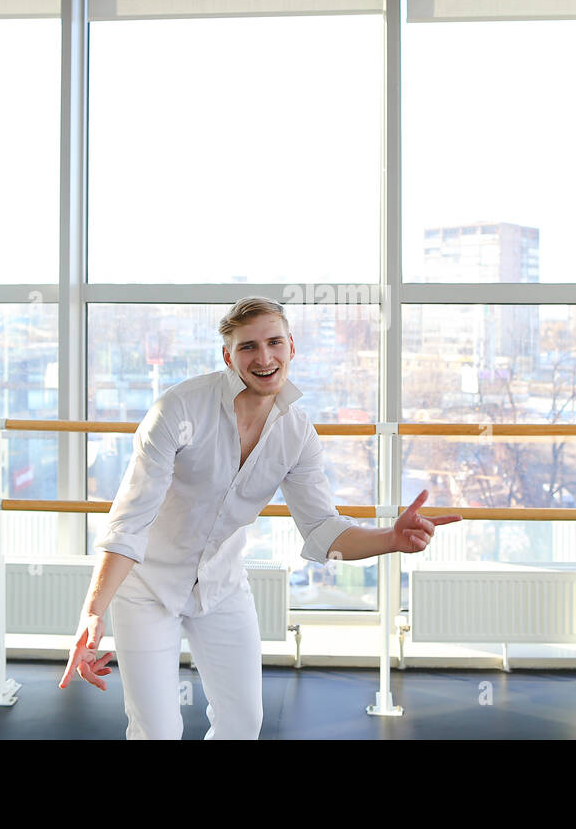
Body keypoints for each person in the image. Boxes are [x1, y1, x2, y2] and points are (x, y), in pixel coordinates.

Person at [58, 295, 459, 739]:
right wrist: (94, 612)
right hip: (147, 586)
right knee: (157, 731)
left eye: (274, 342)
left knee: (243, 724)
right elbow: (128, 523)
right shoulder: (178, 410)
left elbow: (323, 530)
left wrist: (391, 539)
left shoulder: (298, 433)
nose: (264, 358)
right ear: (229, 356)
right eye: (249, 347)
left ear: (292, 346)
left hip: (222, 584)